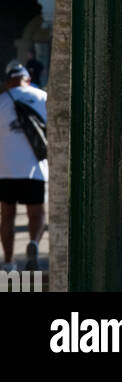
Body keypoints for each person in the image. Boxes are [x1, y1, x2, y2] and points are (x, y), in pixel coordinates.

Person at [0, 60, 47, 272]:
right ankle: (34, 243)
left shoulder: (2, 101)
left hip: (5, 169)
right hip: (35, 169)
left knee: (7, 215)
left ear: (9, 81)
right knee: (36, 214)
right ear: (28, 79)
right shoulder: (42, 98)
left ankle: (9, 262)